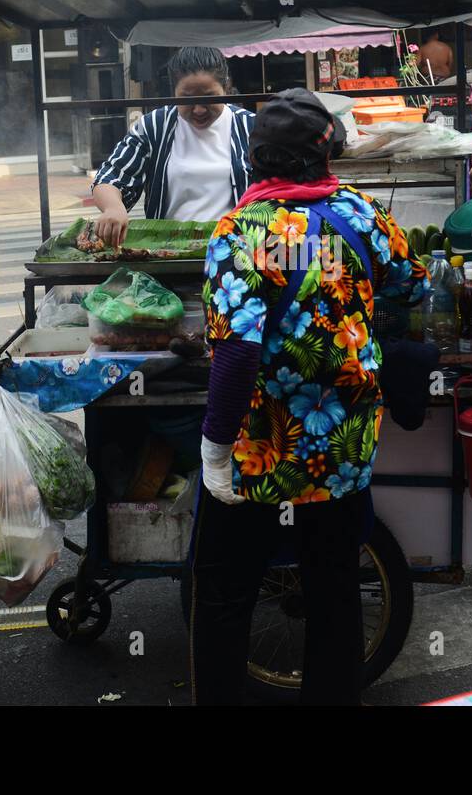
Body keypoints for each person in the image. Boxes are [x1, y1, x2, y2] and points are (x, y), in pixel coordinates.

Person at [190, 88, 430, 705]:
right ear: (328, 155)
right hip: (341, 450)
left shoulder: (241, 231)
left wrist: (215, 450)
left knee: (223, 594)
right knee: (333, 592)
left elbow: (238, 352)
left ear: (257, 157)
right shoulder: (362, 215)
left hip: (259, 454)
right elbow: (412, 286)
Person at [91, 47, 255, 245]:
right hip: (169, 252)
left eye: (209, 97)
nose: (199, 109)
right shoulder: (154, 126)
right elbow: (111, 177)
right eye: (187, 98)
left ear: (226, 87)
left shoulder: (251, 127)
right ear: (173, 91)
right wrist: (113, 209)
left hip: (236, 251)